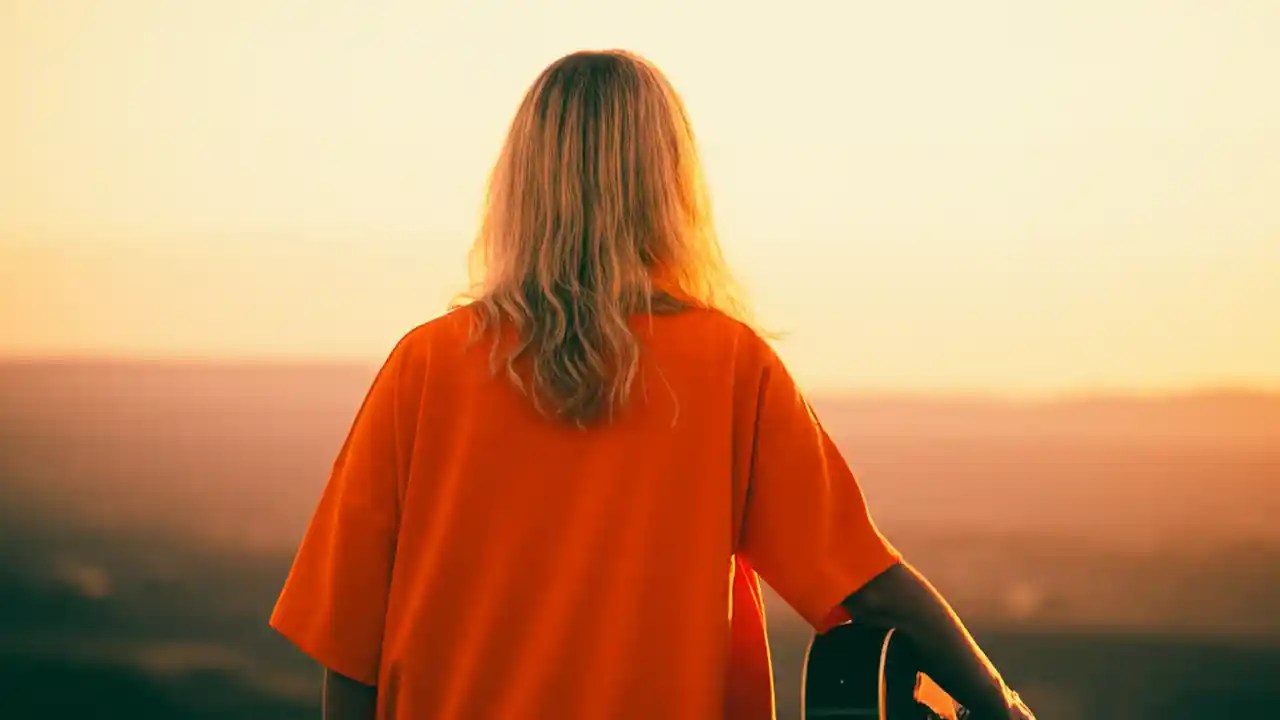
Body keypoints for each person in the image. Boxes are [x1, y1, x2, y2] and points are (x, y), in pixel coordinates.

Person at [269, 48, 1036, 720]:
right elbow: (865, 586)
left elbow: (350, 645)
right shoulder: (728, 366)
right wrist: (999, 703)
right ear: (670, 183)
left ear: (521, 183)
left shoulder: (425, 367)